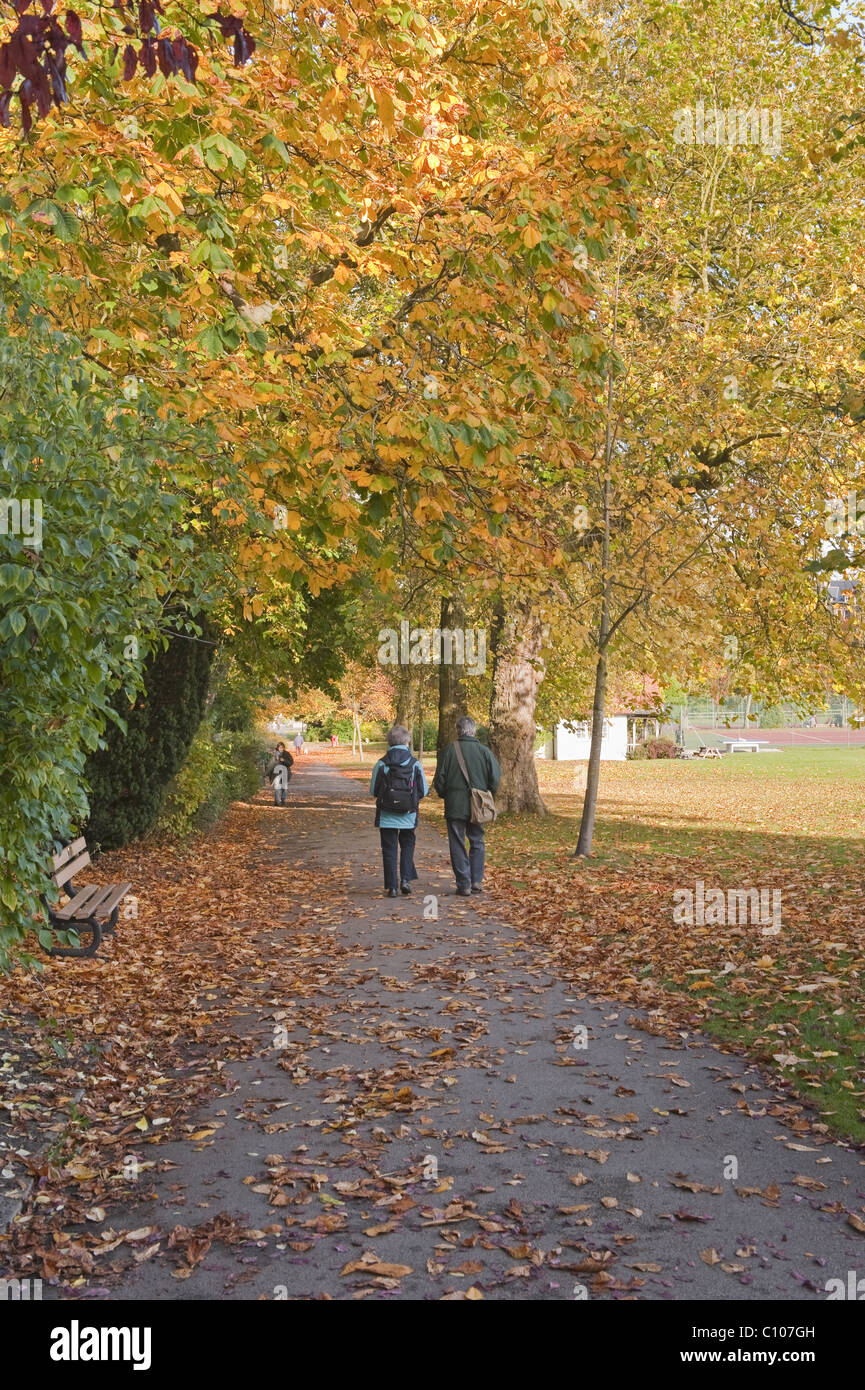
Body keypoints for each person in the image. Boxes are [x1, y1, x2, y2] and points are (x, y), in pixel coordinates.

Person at [433, 715, 501, 897]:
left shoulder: (448, 751)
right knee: (477, 840)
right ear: (474, 730)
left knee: (457, 842)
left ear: (458, 730)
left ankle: (464, 883)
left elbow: (439, 780)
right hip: (478, 804)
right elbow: (495, 779)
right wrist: (487, 794)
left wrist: (445, 794)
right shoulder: (484, 751)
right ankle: (476, 880)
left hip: (455, 804)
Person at [370, 725, 429, 898]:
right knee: (407, 845)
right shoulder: (414, 763)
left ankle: (392, 887)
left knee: (389, 849)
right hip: (408, 814)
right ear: (406, 741)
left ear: (389, 742)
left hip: (387, 815)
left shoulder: (382, 763)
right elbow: (424, 790)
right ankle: (405, 880)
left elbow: (374, 789)